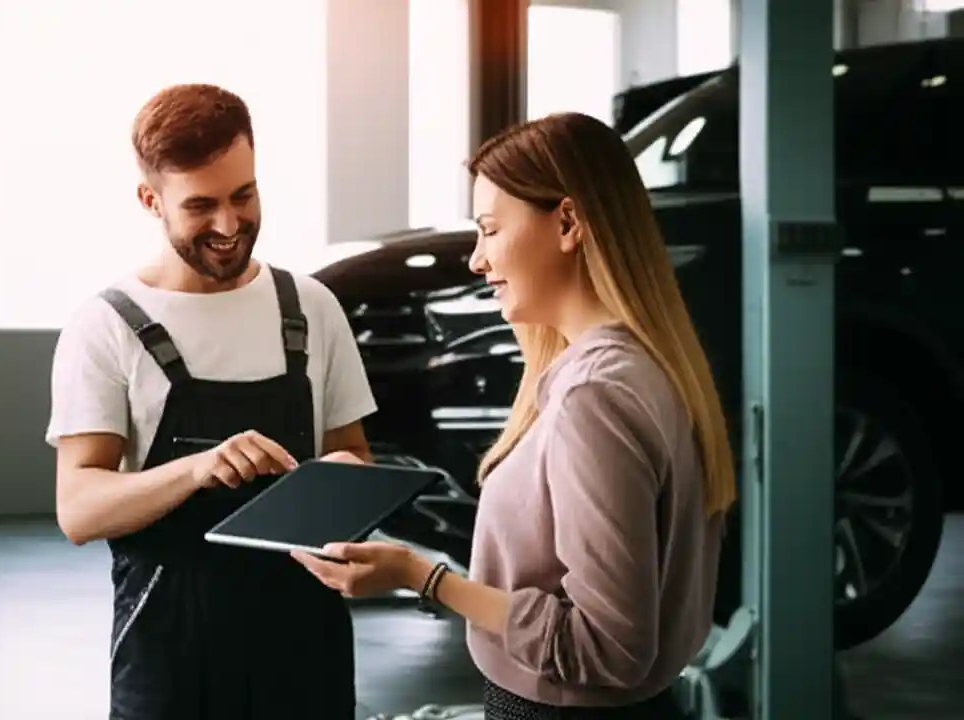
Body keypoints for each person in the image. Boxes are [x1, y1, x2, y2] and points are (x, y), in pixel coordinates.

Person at [293, 112, 736, 719]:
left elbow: (608, 646)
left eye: (490, 229)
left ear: (569, 223)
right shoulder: (647, 367)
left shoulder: (594, 398)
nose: (476, 260)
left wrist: (421, 577)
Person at [46, 83, 378, 720]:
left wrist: (346, 480)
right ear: (151, 200)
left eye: (243, 196)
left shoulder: (311, 308)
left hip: (305, 651)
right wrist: (199, 468)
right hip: (169, 656)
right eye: (201, 206)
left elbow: (353, 454)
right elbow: (78, 510)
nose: (229, 225)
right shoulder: (106, 326)